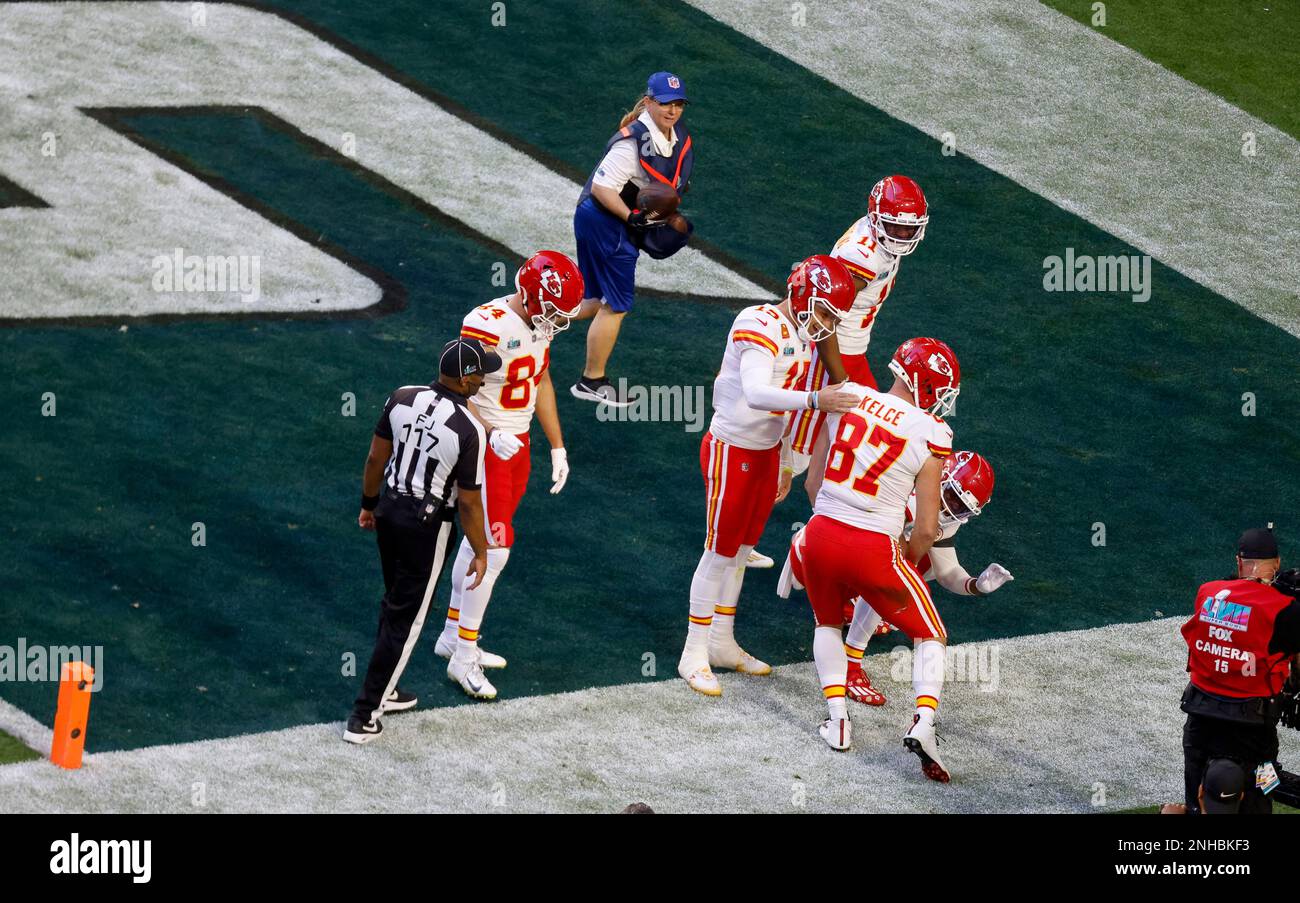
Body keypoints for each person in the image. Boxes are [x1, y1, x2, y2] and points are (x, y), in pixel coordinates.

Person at [678, 255, 858, 697]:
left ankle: (722, 641)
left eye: (833, 315)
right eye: (823, 310)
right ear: (799, 293)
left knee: (740, 551)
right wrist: (817, 399)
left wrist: (786, 460)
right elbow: (758, 393)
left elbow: (785, 403)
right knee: (718, 553)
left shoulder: (801, 329)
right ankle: (693, 652)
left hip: (764, 452)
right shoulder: (758, 321)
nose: (825, 322)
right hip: (730, 447)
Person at [790, 336, 960, 782]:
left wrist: (828, 533)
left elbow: (813, 483)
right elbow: (925, 528)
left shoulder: (851, 396)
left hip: (820, 532)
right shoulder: (932, 433)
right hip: (872, 545)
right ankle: (924, 721)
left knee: (826, 622)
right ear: (925, 384)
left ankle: (838, 721)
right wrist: (905, 557)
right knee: (931, 634)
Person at [750, 175, 929, 568]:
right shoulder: (862, 256)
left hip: (851, 352)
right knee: (794, 457)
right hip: (834, 355)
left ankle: (827, 535)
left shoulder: (875, 238)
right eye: (896, 225)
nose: (901, 234)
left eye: (908, 227)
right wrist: (839, 378)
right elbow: (825, 318)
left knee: (847, 444)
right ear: (878, 219)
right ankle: (742, 538)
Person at [432, 251, 585, 700]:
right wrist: (493, 431)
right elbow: (455, 387)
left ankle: (451, 634)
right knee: (493, 550)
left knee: (478, 543)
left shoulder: (539, 326)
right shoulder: (488, 323)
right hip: (486, 446)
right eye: (553, 311)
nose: (557, 322)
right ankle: (464, 655)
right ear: (529, 295)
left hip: (517, 447)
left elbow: (540, 381)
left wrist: (557, 444)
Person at [343, 338, 497, 744]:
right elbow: (467, 503)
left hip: (389, 510)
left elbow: (376, 458)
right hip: (426, 526)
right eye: (480, 372)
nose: (484, 377)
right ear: (465, 379)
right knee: (405, 621)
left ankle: (386, 689)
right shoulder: (470, 428)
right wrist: (481, 551)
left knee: (394, 602)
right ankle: (364, 715)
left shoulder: (401, 397)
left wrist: (368, 504)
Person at [781, 450, 1013, 706]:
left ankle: (847, 611)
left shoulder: (929, 498)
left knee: (909, 567)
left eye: (962, 508)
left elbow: (947, 572)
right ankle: (850, 665)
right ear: (942, 479)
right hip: (819, 554)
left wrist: (975, 586)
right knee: (892, 577)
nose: (952, 510)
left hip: (841, 550)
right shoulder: (902, 492)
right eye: (952, 497)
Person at [570, 71, 694, 405]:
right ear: (649, 101)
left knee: (595, 299)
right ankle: (591, 380)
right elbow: (601, 188)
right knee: (617, 304)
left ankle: (532, 313)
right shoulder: (631, 142)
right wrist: (633, 219)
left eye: (678, 104)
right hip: (604, 220)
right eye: (665, 104)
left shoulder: (675, 136)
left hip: (609, 220)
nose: (672, 111)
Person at [1162, 527, 1300, 813]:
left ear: (1238, 562)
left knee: (1198, 802)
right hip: (1255, 733)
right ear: (1277, 564)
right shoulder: (1284, 609)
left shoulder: (1207, 592)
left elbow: (1240, 601)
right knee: (1264, 790)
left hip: (1198, 727)